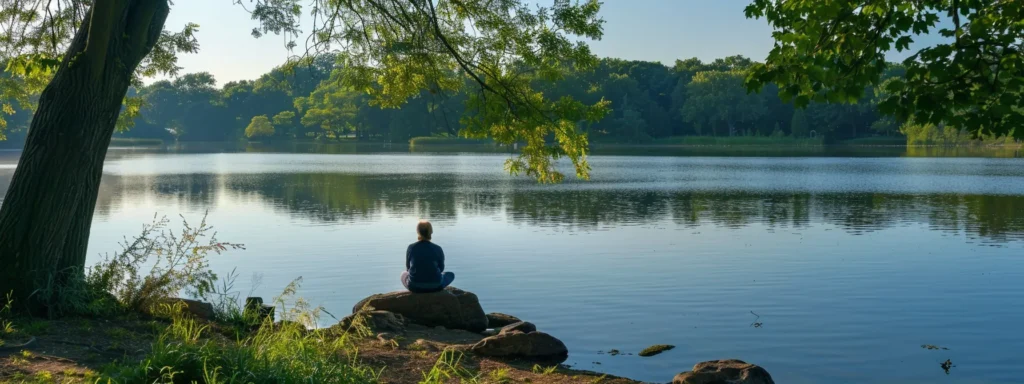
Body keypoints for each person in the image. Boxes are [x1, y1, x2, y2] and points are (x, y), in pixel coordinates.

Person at [401, 220, 455, 293]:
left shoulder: (411, 247)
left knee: (403, 274)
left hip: (414, 287)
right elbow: (441, 268)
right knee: (450, 275)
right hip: (436, 286)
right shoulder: (438, 248)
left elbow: (408, 268)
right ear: (431, 232)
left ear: (418, 232)